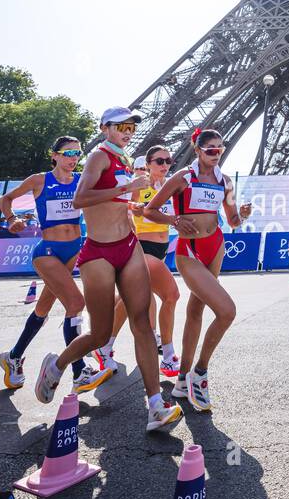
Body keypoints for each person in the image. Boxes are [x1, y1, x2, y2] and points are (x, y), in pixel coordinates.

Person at [34, 108, 182, 434]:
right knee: (99, 333)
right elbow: (80, 198)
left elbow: (114, 201)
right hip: (98, 252)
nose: (128, 132)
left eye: (131, 127)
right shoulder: (98, 157)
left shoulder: (125, 159)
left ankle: (156, 405)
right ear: (105, 128)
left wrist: (131, 205)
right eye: (121, 127)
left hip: (128, 246)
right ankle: (56, 366)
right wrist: (123, 191)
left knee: (142, 323)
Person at [143, 128, 250, 413]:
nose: (216, 154)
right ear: (198, 150)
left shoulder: (225, 182)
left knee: (196, 310)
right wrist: (174, 219)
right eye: (211, 149)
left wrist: (244, 214)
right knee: (227, 311)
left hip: (215, 246)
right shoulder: (183, 178)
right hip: (189, 251)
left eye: (220, 149)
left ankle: (181, 380)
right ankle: (199, 373)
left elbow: (233, 220)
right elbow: (149, 211)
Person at [0, 137, 106, 394]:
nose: (73, 158)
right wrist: (11, 219)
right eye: (67, 153)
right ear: (54, 155)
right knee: (76, 304)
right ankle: (79, 371)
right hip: (47, 250)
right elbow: (6, 199)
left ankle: (13, 356)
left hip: (73, 249)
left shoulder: (82, 179)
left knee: (43, 309)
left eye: (77, 153)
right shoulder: (40, 179)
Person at [97, 149, 180, 378]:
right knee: (171, 295)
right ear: (149, 164)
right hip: (142, 247)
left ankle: (104, 345)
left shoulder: (169, 188)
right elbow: (124, 208)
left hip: (161, 248)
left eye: (168, 161)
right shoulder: (140, 185)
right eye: (160, 161)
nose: (165, 165)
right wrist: (134, 212)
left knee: (129, 299)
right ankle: (168, 354)